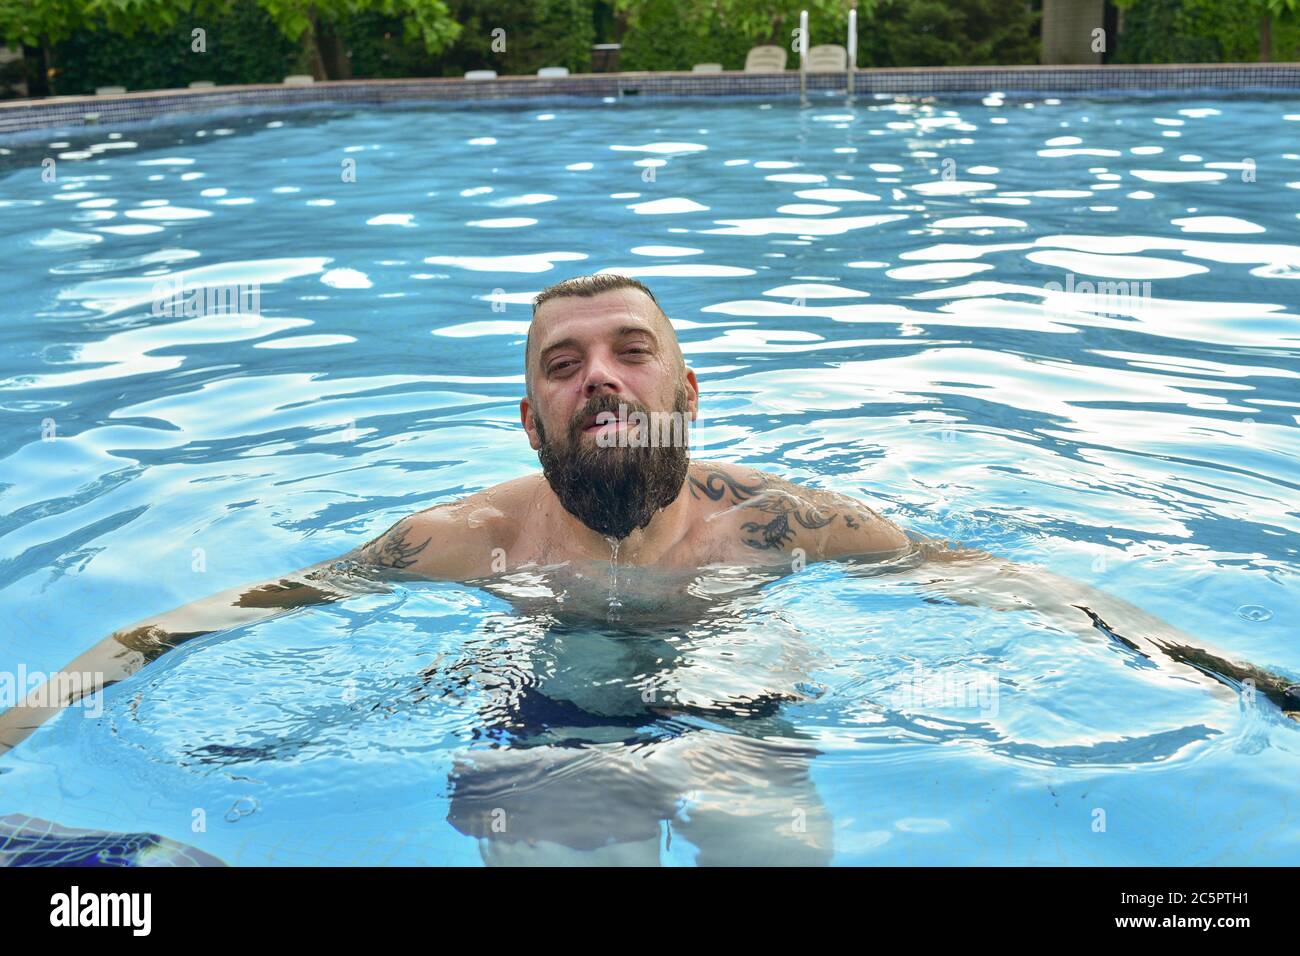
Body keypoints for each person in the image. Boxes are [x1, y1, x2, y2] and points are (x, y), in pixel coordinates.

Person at [3, 271, 1297, 760]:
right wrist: (35, 706)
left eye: (629, 352)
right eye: (564, 365)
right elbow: (215, 617)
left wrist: (1217, 660)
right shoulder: (465, 540)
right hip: (540, 706)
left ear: (685, 390)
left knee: (760, 831)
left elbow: (997, 581)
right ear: (530, 422)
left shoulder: (778, 521)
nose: (601, 377)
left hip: (743, 687)